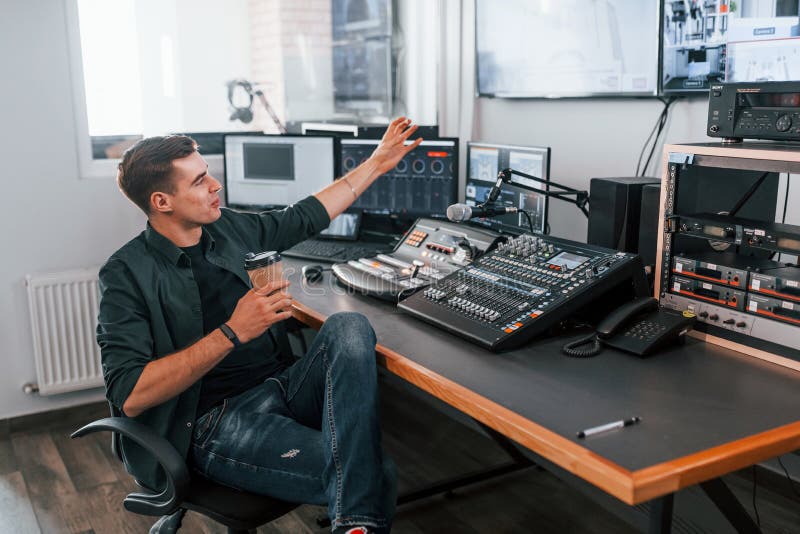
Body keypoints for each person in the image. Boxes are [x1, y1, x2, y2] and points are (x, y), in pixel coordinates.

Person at [97, 117, 423, 534]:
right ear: (162, 202)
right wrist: (231, 333)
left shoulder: (227, 227)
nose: (215, 186)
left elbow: (304, 216)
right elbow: (130, 396)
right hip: (214, 421)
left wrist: (377, 163)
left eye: (208, 173)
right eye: (199, 181)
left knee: (348, 326)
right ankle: (356, 521)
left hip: (280, 386)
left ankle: (353, 521)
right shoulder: (125, 274)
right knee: (375, 476)